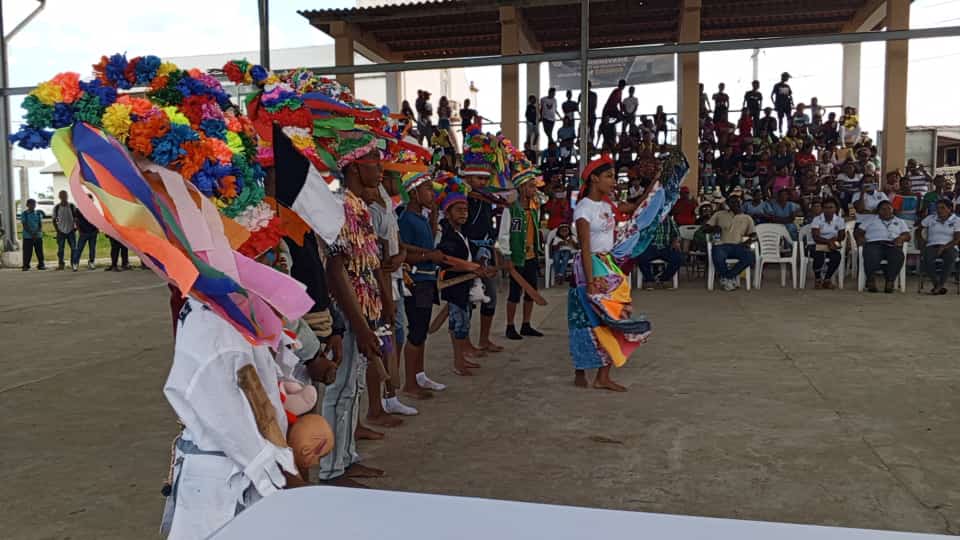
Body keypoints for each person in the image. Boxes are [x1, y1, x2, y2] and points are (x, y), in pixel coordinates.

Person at [318, 149, 392, 485]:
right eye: (375, 165)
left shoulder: (360, 206)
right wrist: (359, 325)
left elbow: (369, 265)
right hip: (347, 313)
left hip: (363, 311)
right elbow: (337, 269)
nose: (380, 172)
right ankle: (331, 469)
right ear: (355, 167)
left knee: (353, 387)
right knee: (340, 390)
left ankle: (346, 459)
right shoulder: (340, 206)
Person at [569, 155, 649, 391]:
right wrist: (591, 280)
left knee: (613, 318)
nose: (614, 181)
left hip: (608, 265)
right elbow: (585, 246)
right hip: (590, 265)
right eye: (609, 176)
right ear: (595, 179)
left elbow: (636, 207)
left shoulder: (608, 205)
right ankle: (581, 370)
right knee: (585, 318)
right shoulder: (583, 208)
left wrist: (655, 187)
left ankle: (603, 375)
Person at [363, 185, 419, 419]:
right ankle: (377, 405)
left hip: (395, 282)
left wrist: (400, 256)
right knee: (380, 344)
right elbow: (373, 253)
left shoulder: (389, 203)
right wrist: (385, 295)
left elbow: (397, 242)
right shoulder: (369, 209)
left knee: (396, 338)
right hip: (379, 285)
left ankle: (391, 396)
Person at [435, 175, 492, 376]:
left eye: (466, 210)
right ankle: (458, 362)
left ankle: (461, 359)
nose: (464, 213)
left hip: (464, 285)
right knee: (458, 325)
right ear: (448, 213)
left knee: (463, 323)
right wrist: (471, 267)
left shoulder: (462, 233)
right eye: (459, 210)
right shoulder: (446, 234)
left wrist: (480, 262)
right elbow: (446, 259)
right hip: (455, 286)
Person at [397, 172, 447, 399]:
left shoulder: (423, 217)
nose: (432, 192)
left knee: (422, 330)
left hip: (427, 279)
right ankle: (409, 383)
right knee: (415, 331)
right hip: (416, 281)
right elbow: (403, 251)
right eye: (427, 188)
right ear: (414, 194)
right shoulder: (407, 219)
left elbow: (430, 240)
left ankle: (419, 375)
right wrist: (428, 255)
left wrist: (435, 214)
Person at [461, 143, 505, 353]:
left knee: (491, 297)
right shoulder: (463, 200)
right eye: (480, 179)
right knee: (466, 300)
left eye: (486, 179)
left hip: (486, 252)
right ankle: (465, 342)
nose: (484, 182)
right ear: (468, 179)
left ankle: (484, 339)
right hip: (467, 254)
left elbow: (490, 230)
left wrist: (494, 256)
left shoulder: (488, 200)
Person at [498, 163, 544, 340]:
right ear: (522, 187)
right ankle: (510, 326)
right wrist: (507, 255)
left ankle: (526, 324)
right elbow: (504, 234)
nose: (534, 189)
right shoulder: (511, 209)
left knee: (531, 290)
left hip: (531, 256)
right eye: (531, 186)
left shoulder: (534, 209)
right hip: (517, 257)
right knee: (515, 293)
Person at [855, 200, 911, 293]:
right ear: (878, 211)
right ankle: (870, 280)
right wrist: (860, 238)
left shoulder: (900, 221)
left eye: (889, 208)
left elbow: (907, 235)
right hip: (874, 243)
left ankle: (890, 281)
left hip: (892, 244)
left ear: (892, 209)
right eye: (883, 209)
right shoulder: (871, 219)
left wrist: (901, 238)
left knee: (898, 256)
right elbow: (858, 232)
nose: (886, 211)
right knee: (871, 254)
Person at [703, 194, 757, 291]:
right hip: (722, 245)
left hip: (738, 246)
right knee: (718, 254)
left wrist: (748, 241)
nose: (735, 204)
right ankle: (729, 278)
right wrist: (713, 228)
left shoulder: (747, 218)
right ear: (728, 204)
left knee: (750, 256)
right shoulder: (719, 214)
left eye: (737, 202)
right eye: (732, 202)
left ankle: (727, 277)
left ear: (741, 203)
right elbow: (705, 228)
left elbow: (754, 235)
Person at [920, 199, 960, 295]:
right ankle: (937, 285)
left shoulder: (957, 220)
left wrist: (944, 247)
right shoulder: (931, 218)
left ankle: (939, 285)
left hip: (950, 246)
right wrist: (922, 241)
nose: (939, 210)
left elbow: (957, 239)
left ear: (950, 209)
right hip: (932, 245)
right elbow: (919, 229)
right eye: (937, 208)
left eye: (943, 208)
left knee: (950, 258)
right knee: (927, 258)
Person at [634, 214, 682, 289]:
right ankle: (649, 280)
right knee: (641, 256)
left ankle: (664, 278)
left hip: (665, 246)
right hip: (650, 246)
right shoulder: (647, 220)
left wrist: (676, 241)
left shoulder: (669, 220)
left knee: (678, 258)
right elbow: (640, 234)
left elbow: (677, 234)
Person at [810, 198, 846, 289]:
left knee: (837, 256)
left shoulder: (840, 220)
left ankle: (827, 279)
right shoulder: (817, 219)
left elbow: (842, 236)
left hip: (832, 244)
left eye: (831, 207)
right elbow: (816, 237)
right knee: (819, 255)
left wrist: (834, 241)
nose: (828, 210)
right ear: (822, 209)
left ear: (835, 209)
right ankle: (818, 279)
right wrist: (829, 242)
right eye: (826, 207)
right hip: (817, 244)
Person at [52, 190, 79, 271]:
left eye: (65, 195)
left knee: (74, 248)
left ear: (67, 196)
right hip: (61, 232)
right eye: (62, 195)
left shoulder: (72, 206)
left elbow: (76, 218)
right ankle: (61, 264)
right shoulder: (57, 208)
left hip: (71, 231)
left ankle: (73, 263)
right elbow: (54, 220)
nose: (64, 197)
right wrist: (57, 230)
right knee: (60, 250)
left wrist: (76, 227)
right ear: (59, 197)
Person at [20, 198, 45, 271]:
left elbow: (40, 224)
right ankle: (26, 265)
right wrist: (31, 233)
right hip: (27, 236)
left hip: (38, 235)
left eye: (34, 204)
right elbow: (24, 224)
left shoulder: (38, 213)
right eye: (31, 204)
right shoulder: (24, 214)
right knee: (27, 252)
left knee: (39, 251)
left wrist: (36, 232)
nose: (33, 205)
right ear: (27, 205)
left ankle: (41, 264)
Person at [75, 194, 99, 270]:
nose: (92, 201)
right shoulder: (79, 209)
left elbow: (97, 219)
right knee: (79, 249)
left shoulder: (94, 209)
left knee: (92, 249)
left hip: (93, 232)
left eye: (92, 200)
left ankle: (91, 262)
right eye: (90, 200)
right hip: (83, 233)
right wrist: (79, 230)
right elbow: (76, 221)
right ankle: (75, 263)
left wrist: (97, 229)